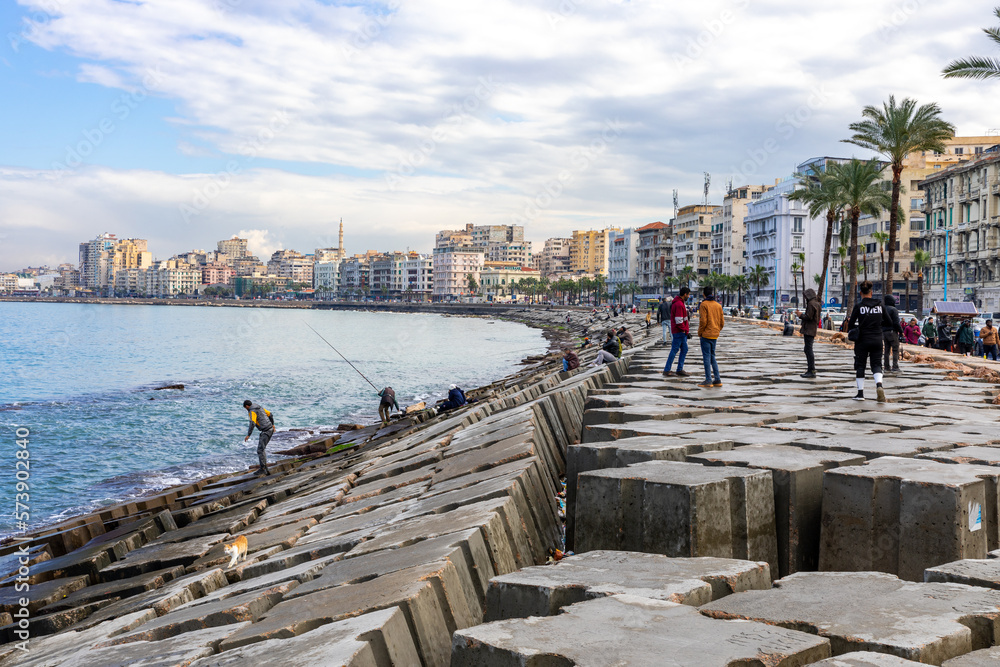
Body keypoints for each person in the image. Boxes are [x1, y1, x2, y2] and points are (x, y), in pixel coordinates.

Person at [846, 281, 893, 402]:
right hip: (877, 339)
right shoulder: (880, 306)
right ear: (871, 293)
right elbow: (889, 322)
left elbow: (850, 325)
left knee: (860, 365)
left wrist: (858, 326)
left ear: (860, 293)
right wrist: (878, 326)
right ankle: (879, 385)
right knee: (877, 364)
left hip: (862, 340)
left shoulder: (859, 306)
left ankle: (860, 394)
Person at [697, 285, 724, 388]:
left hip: (706, 334)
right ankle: (717, 379)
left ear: (704, 294)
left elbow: (703, 321)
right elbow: (722, 322)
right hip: (714, 334)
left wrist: (700, 332)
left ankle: (708, 380)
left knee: (706, 357)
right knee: (712, 356)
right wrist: (717, 330)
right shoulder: (718, 305)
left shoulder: (704, 305)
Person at [662, 287, 691, 377]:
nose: (689, 296)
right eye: (688, 295)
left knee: (684, 349)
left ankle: (679, 369)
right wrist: (684, 330)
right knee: (675, 349)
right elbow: (679, 321)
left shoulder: (680, 303)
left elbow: (683, 319)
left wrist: (686, 331)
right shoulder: (678, 304)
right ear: (685, 294)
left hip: (681, 331)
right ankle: (667, 370)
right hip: (679, 332)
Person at [243, 399, 274, 476]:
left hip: (266, 431)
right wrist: (273, 424)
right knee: (262, 449)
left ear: (247, 406)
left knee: (260, 450)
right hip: (270, 429)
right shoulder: (259, 407)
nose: (246, 410)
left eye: (245, 408)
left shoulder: (252, 410)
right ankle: (265, 469)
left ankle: (263, 469)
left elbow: (252, 423)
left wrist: (248, 435)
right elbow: (270, 414)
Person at [798, 288, 821, 378]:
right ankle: (810, 369)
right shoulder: (817, 304)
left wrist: (800, 315)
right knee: (807, 349)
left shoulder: (811, 304)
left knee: (808, 349)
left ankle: (811, 370)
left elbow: (808, 317)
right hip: (812, 329)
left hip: (809, 329)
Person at [881, 295, 903, 373]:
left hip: (884, 332)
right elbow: (896, 322)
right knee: (895, 349)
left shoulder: (882, 309)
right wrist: (901, 331)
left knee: (886, 350)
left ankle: (886, 366)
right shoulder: (893, 309)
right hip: (892, 331)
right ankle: (895, 366)